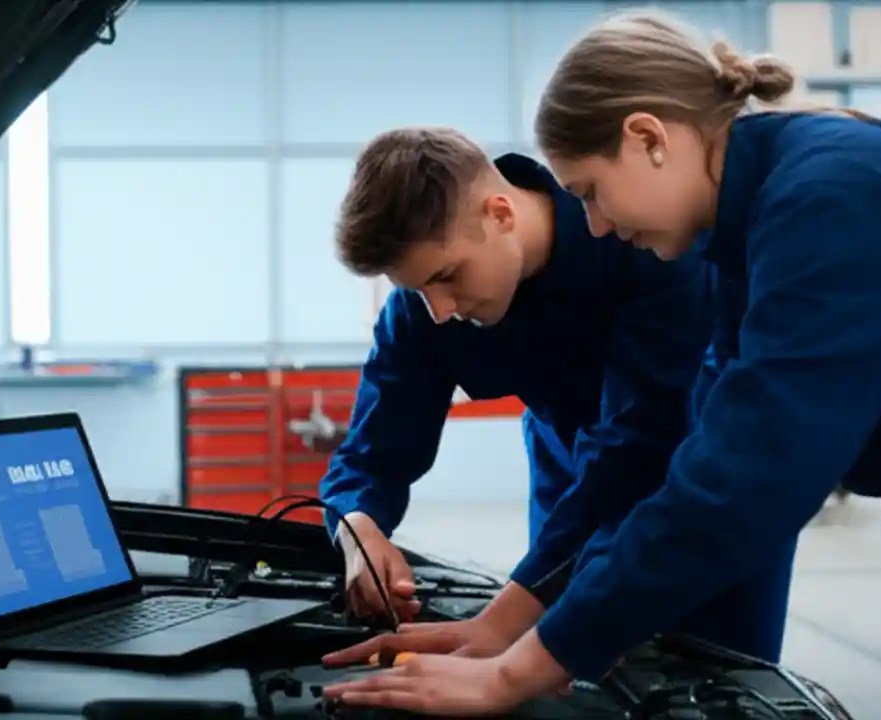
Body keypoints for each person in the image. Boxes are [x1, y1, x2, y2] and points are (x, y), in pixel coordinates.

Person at [323, 11, 881, 719]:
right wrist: (515, 625)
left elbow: (746, 476)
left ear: (648, 138)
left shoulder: (833, 203)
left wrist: (519, 666)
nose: (598, 223)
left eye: (590, 193)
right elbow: (702, 452)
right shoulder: (751, 222)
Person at [317, 126, 798, 663]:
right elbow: (370, 453)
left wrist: (502, 621)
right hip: (571, 479)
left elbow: (641, 442)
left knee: (718, 683)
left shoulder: (641, 241)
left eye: (448, 276)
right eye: (417, 289)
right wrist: (358, 526)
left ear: (500, 213)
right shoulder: (424, 308)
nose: (441, 310)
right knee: (568, 684)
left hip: (711, 481)